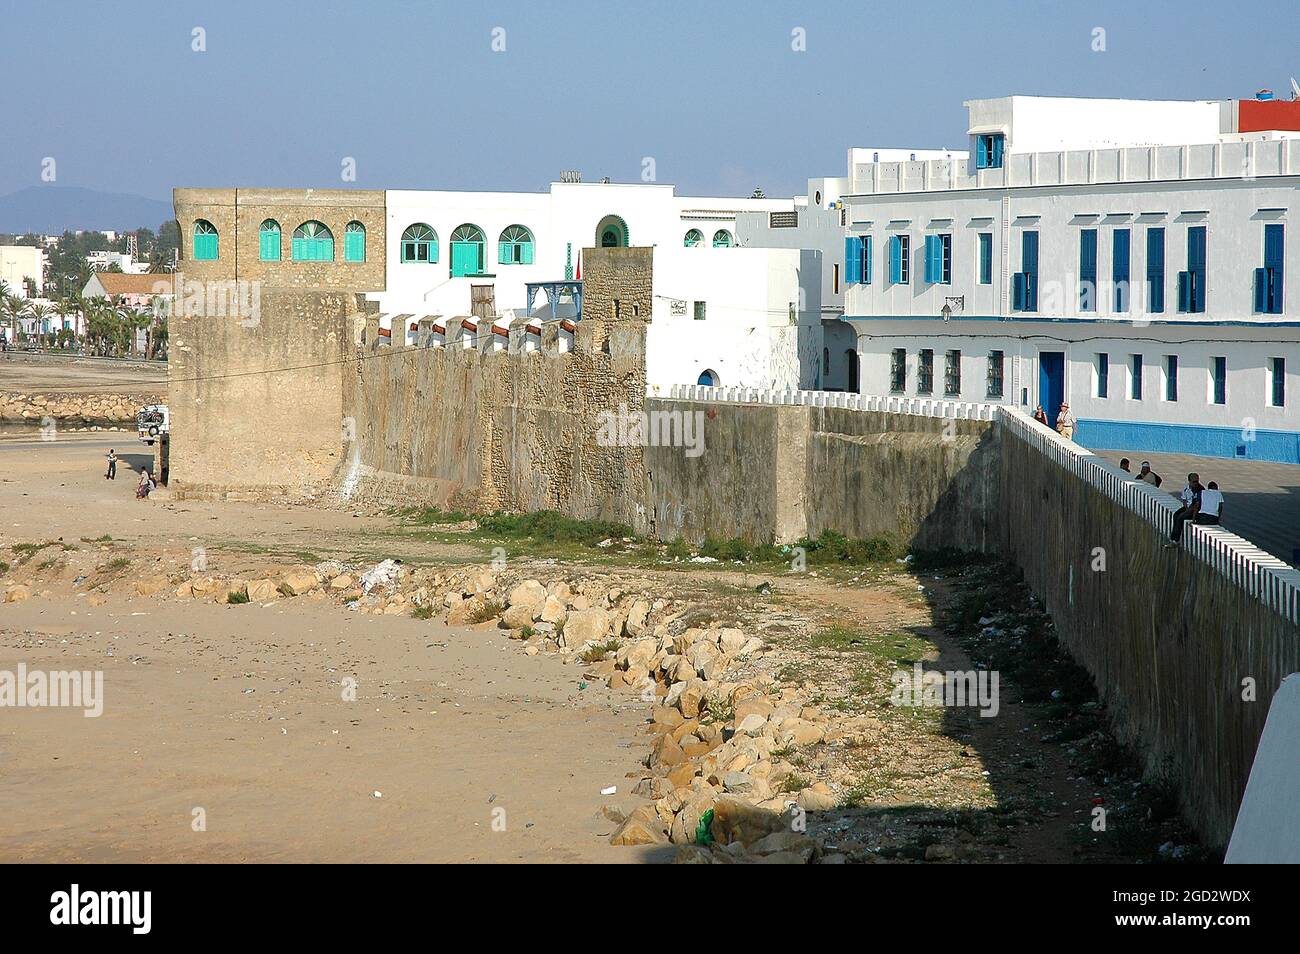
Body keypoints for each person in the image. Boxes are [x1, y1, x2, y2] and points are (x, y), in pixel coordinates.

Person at [1167, 472, 1202, 546]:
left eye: (1197, 481)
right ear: (1189, 481)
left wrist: (1190, 514)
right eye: (1194, 482)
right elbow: (1184, 500)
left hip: (1195, 509)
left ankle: (1176, 539)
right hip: (1188, 506)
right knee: (1176, 514)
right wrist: (1186, 508)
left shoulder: (1200, 490)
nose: (1196, 483)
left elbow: (1197, 505)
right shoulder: (1186, 488)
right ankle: (1173, 535)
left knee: (1180, 517)